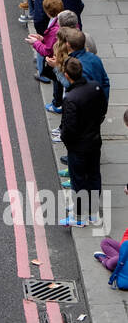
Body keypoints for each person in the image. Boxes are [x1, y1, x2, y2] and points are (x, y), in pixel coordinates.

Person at [59, 57, 107, 227]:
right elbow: (103, 110)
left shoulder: (71, 97)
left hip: (78, 147)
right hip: (94, 141)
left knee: (78, 180)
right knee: (94, 175)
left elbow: (68, 128)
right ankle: (93, 214)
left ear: (67, 74)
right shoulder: (95, 86)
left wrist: (67, 141)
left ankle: (79, 218)